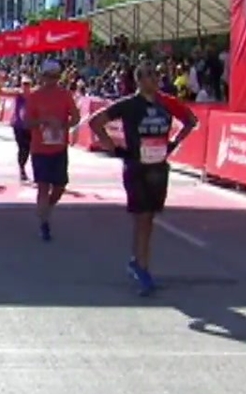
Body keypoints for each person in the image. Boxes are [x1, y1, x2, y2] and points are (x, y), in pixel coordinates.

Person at [87, 62, 196, 296]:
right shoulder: (129, 105)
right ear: (138, 81)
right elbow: (95, 122)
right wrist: (114, 148)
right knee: (143, 217)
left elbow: (191, 120)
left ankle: (137, 262)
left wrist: (174, 143)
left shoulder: (166, 102)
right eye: (148, 75)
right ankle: (142, 268)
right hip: (136, 166)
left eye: (156, 74)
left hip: (158, 168)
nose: (154, 79)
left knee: (148, 219)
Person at [25, 61, 81, 242]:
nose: (52, 80)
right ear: (42, 77)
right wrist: (43, 121)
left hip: (59, 148)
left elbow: (76, 117)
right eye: (49, 76)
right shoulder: (34, 96)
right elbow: (26, 123)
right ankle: (44, 224)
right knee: (43, 186)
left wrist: (63, 125)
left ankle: (46, 208)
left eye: (55, 76)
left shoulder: (65, 95)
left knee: (60, 187)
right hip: (39, 148)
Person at [11, 76, 34, 181]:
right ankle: (22, 169)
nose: (26, 87)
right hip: (18, 126)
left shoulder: (34, 95)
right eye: (24, 84)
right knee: (22, 148)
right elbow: (1, 92)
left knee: (28, 149)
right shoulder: (18, 95)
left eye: (28, 84)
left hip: (30, 127)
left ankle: (25, 168)